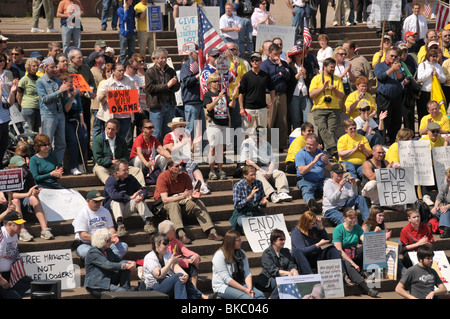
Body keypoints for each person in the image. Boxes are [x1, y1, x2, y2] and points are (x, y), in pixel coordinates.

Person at [153, 159, 223, 244]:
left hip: (182, 203)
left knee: (198, 202)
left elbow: (189, 196)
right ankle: (181, 233)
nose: (180, 167)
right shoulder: (163, 177)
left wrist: (193, 196)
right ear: (170, 168)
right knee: (173, 205)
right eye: (177, 166)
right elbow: (165, 200)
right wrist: (181, 196)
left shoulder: (185, 176)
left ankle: (211, 231)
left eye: (181, 165)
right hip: (166, 206)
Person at [141, 232, 215, 299]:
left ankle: (200, 297)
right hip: (154, 287)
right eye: (164, 243)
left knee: (181, 277)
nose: (167, 246)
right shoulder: (150, 257)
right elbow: (159, 275)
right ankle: (202, 296)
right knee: (178, 277)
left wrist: (185, 276)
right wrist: (170, 262)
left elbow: (176, 267)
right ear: (157, 244)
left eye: (168, 243)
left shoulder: (167, 255)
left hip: (167, 283)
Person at [291, 211, 351, 283]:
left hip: (316, 256)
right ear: (305, 223)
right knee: (297, 251)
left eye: (314, 223)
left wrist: (321, 227)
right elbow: (302, 250)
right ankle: (311, 277)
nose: (314, 225)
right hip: (305, 260)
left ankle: (342, 274)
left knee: (332, 249)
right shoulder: (296, 232)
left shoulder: (314, 228)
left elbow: (327, 240)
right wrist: (318, 245)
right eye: (312, 223)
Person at [332, 208, 379, 297]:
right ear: (344, 218)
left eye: (355, 218)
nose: (354, 220)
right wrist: (353, 263)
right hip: (343, 256)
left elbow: (365, 240)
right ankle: (367, 289)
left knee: (366, 247)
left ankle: (365, 270)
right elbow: (339, 250)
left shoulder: (357, 228)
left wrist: (375, 236)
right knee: (346, 263)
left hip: (353, 253)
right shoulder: (338, 229)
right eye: (351, 218)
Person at [240, 126, 292, 203]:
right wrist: (260, 170)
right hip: (254, 169)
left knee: (280, 173)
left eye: (259, 135)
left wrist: (270, 171)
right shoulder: (246, 143)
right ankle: (271, 194)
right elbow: (248, 161)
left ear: (264, 136)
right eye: (255, 134)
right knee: (258, 174)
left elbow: (272, 160)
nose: (256, 137)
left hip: (266, 168)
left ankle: (282, 192)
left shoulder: (267, 144)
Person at [103, 160, 155, 237]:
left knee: (139, 199)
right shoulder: (110, 181)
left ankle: (148, 223)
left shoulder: (130, 178)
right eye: (124, 170)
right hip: (113, 211)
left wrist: (142, 196)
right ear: (117, 172)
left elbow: (142, 189)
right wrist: (129, 197)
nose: (127, 172)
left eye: (127, 169)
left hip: (126, 207)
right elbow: (114, 196)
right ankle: (120, 226)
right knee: (116, 201)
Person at [9, 153, 54, 241]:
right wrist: (27, 194)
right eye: (18, 166)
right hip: (10, 203)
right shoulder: (6, 175)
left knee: (34, 198)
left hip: (25, 200)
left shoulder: (27, 173)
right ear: (11, 167)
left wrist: (35, 192)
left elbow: (32, 187)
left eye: (22, 166)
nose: (21, 168)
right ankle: (22, 230)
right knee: (15, 200)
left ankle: (44, 229)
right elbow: (11, 195)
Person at [72, 189, 128, 259]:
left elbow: (111, 228)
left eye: (100, 201)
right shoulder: (82, 214)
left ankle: (104, 262)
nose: (99, 203)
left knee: (123, 246)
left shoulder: (105, 211)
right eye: (96, 201)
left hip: (105, 243)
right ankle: (107, 261)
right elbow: (84, 236)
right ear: (88, 201)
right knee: (84, 251)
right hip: (88, 243)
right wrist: (102, 239)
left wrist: (113, 236)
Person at [212, 229, 266, 299]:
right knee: (248, 298)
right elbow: (226, 279)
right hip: (224, 286)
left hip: (241, 282)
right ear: (231, 242)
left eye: (240, 240)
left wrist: (249, 289)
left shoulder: (242, 253)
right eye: (238, 240)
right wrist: (245, 290)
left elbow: (247, 272)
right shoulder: (219, 255)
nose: (241, 242)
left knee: (260, 295)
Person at [163, 117, 210, 194]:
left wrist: (195, 143)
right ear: (174, 127)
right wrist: (183, 143)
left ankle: (202, 184)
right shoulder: (169, 136)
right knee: (188, 166)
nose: (183, 128)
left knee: (192, 165)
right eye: (180, 126)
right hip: (174, 160)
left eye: (183, 126)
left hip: (185, 159)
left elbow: (192, 150)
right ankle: (193, 184)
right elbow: (172, 149)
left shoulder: (186, 135)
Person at [203, 73, 237, 180]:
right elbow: (208, 107)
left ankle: (220, 169)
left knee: (221, 148)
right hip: (213, 123)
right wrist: (218, 98)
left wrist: (234, 96)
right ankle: (212, 170)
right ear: (209, 83)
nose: (217, 83)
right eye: (214, 81)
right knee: (212, 147)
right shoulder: (208, 95)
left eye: (218, 81)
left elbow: (231, 105)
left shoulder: (223, 93)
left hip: (224, 123)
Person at [92, 118, 146, 186]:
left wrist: (119, 162)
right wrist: (110, 162)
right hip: (103, 166)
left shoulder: (121, 140)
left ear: (117, 130)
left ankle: (141, 189)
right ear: (105, 128)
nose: (110, 131)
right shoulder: (98, 139)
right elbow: (98, 159)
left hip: (119, 166)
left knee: (136, 170)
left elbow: (126, 156)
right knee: (99, 170)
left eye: (113, 129)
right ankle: (114, 186)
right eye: (108, 128)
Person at [309, 57, 344, 158]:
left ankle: (329, 151)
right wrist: (322, 88)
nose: (333, 69)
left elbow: (341, 95)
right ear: (324, 67)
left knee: (331, 130)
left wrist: (335, 90)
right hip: (319, 108)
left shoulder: (337, 79)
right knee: (322, 128)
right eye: (331, 67)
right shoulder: (316, 78)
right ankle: (333, 149)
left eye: (334, 67)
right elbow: (311, 94)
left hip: (334, 109)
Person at [84, 228, 136, 296]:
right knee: (123, 292)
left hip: (107, 281)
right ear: (102, 241)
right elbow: (108, 265)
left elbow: (120, 261)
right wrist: (125, 265)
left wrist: (131, 263)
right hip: (97, 285)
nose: (111, 242)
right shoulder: (93, 252)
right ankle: (126, 291)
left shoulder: (107, 250)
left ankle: (126, 288)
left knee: (125, 268)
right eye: (108, 240)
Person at [36, 57, 68, 167]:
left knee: (61, 142)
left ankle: (58, 164)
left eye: (55, 67)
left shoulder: (57, 80)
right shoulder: (40, 82)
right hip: (48, 114)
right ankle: (47, 165)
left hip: (60, 113)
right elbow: (44, 99)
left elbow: (63, 98)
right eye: (52, 67)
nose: (54, 69)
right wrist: (60, 91)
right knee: (46, 143)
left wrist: (66, 90)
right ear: (45, 68)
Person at [260, 43, 291, 152]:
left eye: (279, 53)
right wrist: (280, 74)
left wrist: (281, 68)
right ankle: (267, 146)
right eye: (275, 53)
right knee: (269, 121)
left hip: (282, 94)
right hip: (270, 95)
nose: (277, 56)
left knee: (282, 121)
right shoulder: (265, 65)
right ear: (269, 53)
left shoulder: (283, 64)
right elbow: (268, 80)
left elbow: (288, 77)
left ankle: (282, 145)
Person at [145, 47, 180, 143]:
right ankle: (154, 154)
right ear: (155, 59)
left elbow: (177, 88)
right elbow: (150, 88)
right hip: (157, 105)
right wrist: (167, 85)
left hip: (169, 104)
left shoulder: (171, 70)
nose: (164, 60)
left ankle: (166, 153)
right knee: (156, 132)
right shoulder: (150, 71)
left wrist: (173, 84)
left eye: (165, 57)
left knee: (168, 132)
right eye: (161, 58)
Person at [96, 62, 136, 143]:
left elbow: (135, 94)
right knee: (111, 138)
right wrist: (105, 95)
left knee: (124, 139)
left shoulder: (128, 81)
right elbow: (98, 98)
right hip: (112, 117)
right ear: (113, 71)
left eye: (123, 70)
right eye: (119, 70)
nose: (122, 72)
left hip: (126, 117)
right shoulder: (106, 83)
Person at [374, 47, 405, 145]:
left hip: (397, 98)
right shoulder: (379, 65)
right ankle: (382, 143)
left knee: (396, 122)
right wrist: (392, 69)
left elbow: (401, 78)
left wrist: (396, 70)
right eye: (391, 56)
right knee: (384, 122)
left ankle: (393, 142)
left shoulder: (398, 66)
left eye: (395, 56)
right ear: (386, 55)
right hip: (384, 98)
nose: (393, 58)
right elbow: (381, 77)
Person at [158, 220, 201, 287]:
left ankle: (194, 288)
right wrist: (188, 261)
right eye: (173, 230)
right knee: (190, 263)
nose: (175, 231)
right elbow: (171, 261)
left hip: (179, 263)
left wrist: (195, 255)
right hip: (170, 269)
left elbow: (184, 250)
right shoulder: (164, 245)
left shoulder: (175, 240)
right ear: (167, 233)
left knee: (193, 263)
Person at [257, 228, 299, 299]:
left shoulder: (285, 251)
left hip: (282, 277)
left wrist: (294, 271)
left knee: (290, 279)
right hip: (268, 279)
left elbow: (291, 265)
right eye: (281, 239)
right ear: (274, 241)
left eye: (284, 239)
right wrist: (288, 273)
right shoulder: (267, 253)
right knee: (284, 280)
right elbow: (272, 270)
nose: (283, 241)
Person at [0, 211, 33, 299]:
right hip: (0, 276)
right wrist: (0, 280)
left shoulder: (14, 235)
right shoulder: (1, 235)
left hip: (8, 274)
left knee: (29, 282)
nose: (21, 226)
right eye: (18, 224)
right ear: (10, 224)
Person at [60, 72, 88, 176]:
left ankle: (81, 163)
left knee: (84, 137)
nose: (72, 84)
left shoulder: (75, 92)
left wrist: (82, 121)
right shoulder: (62, 94)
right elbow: (66, 109)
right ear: (64, 82)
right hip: (67, 120)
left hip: (77, 119)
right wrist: (71, 98)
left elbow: (80, 108)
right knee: (73, 141)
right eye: (70, 82)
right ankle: (73, 166)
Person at [295, 134, 331, 213]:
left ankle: (337, 202)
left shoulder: (321, 153)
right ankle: (311, 203)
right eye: (307, 144)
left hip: (320, 180)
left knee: (331, 183)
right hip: (305, 179)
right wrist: (314, 162)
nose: (308, 146)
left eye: (311, 145)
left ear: (316, 145)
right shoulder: (300, 154)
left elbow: (331, 169)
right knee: (307, 189)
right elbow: (302, 171)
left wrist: (326, 162)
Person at [238, 52, 275, 130]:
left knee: (262, 131)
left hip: (261, 108)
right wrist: (241, 108)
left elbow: (272, 89)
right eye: (252, 60)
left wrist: (272, 101)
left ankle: (262, 143)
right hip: (248, 108)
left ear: (261, 61)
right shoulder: (246, 76)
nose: (254, 62)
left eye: (257, 60)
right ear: (250, 62)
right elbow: (241, 93)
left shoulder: (266, 75)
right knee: (247, 131)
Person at [67, 48, 97, 141]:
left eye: (82, 57)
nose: (81, 59)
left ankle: (87, 149)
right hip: (74, 100)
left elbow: (92, 81)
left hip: (86, 99)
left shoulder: (85, 68)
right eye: (78, 58)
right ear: (72, 59)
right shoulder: (68, 70)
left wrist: (93, 91)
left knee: (87, 124)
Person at [130, 119, 171, 184]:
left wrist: (171, 158)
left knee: (162, 158)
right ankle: (138, 181)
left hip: (149, 162)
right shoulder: (139, 139)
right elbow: (139, 153)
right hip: (139, 162)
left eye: (152, 127)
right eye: (149, 128)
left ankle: (162, 178)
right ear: (143, 129)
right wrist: (146, 163)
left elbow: (162, 150)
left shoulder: (153, 139)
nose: (152, 129)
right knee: (138, 160)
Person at [230, 165, 269, 230]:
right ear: (245, 175)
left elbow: (261, 201)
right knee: (245, 223)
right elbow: (237, 206)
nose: (254, 177)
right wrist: (249, 197)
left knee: (267, 221)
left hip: (255, 212)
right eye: (251, 175)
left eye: (254, 174)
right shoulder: (238, 186)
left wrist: (262, 202)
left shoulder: (259, 183)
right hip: (242, 213)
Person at [180, 45, 205, 140]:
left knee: (203, 129)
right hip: (191, 101)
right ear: (191, 53)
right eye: (197, 53)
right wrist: (198, 76)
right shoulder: (186, 66)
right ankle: (188, 150)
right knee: (190, 129)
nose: (200, 55)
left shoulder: (202, 65)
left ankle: (203, 149)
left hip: (200, 101)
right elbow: (186, 81)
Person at [287, 45, 313, 130]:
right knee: (296, 119)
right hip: (294, 94)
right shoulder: (290, 66)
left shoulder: (308, 65)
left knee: (308, 118)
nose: (299, 55)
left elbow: (312, 80)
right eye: (297, 54)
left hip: (305, 94)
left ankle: (308, 136)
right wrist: (297, 76)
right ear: (293, 56)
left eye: (300, 54)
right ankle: (297, 138)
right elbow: (289, 82)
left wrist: (305, 76)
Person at [417, 52, 446, 124]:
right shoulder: (422, 64)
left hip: (435, 93)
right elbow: (420, 78)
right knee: (423, 114)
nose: (435, 58)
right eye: (433, 56)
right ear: (428, 56)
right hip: (424, 93)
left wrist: (438, 75)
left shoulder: (438, 65)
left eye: (436, 56)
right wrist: (430, 71)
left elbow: (444, 79)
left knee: (435, 113)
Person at [17, 57, 41, 132]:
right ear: (29, 67)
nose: (36, 67)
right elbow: (19, 96)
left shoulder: (40, 79)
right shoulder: (24, 80)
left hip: (39, 108)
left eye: (37, 65)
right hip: (28, 108)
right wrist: (22, 106)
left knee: (36, 131)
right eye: (34, 66)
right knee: (28, 131)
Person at [431, 167, 450, 238]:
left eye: (449, 177)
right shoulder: (445, 186)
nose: (447, 179)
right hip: (446, 209)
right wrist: (436, 206)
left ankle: (447, 229)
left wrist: (447, 206)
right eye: (447, 176)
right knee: (434, 211)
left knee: (445, 211)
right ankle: (446, 226)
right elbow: (439, 197)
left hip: (448, 209)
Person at [118, 0, 135, 65]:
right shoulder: (120, 10)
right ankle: (122, 65)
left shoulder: (132, 9)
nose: (131, 1)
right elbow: (124, 19)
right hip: (124, 33)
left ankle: (132, 65)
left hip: (131, 31)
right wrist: (125, 10)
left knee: (132, 51)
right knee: (123, 52)